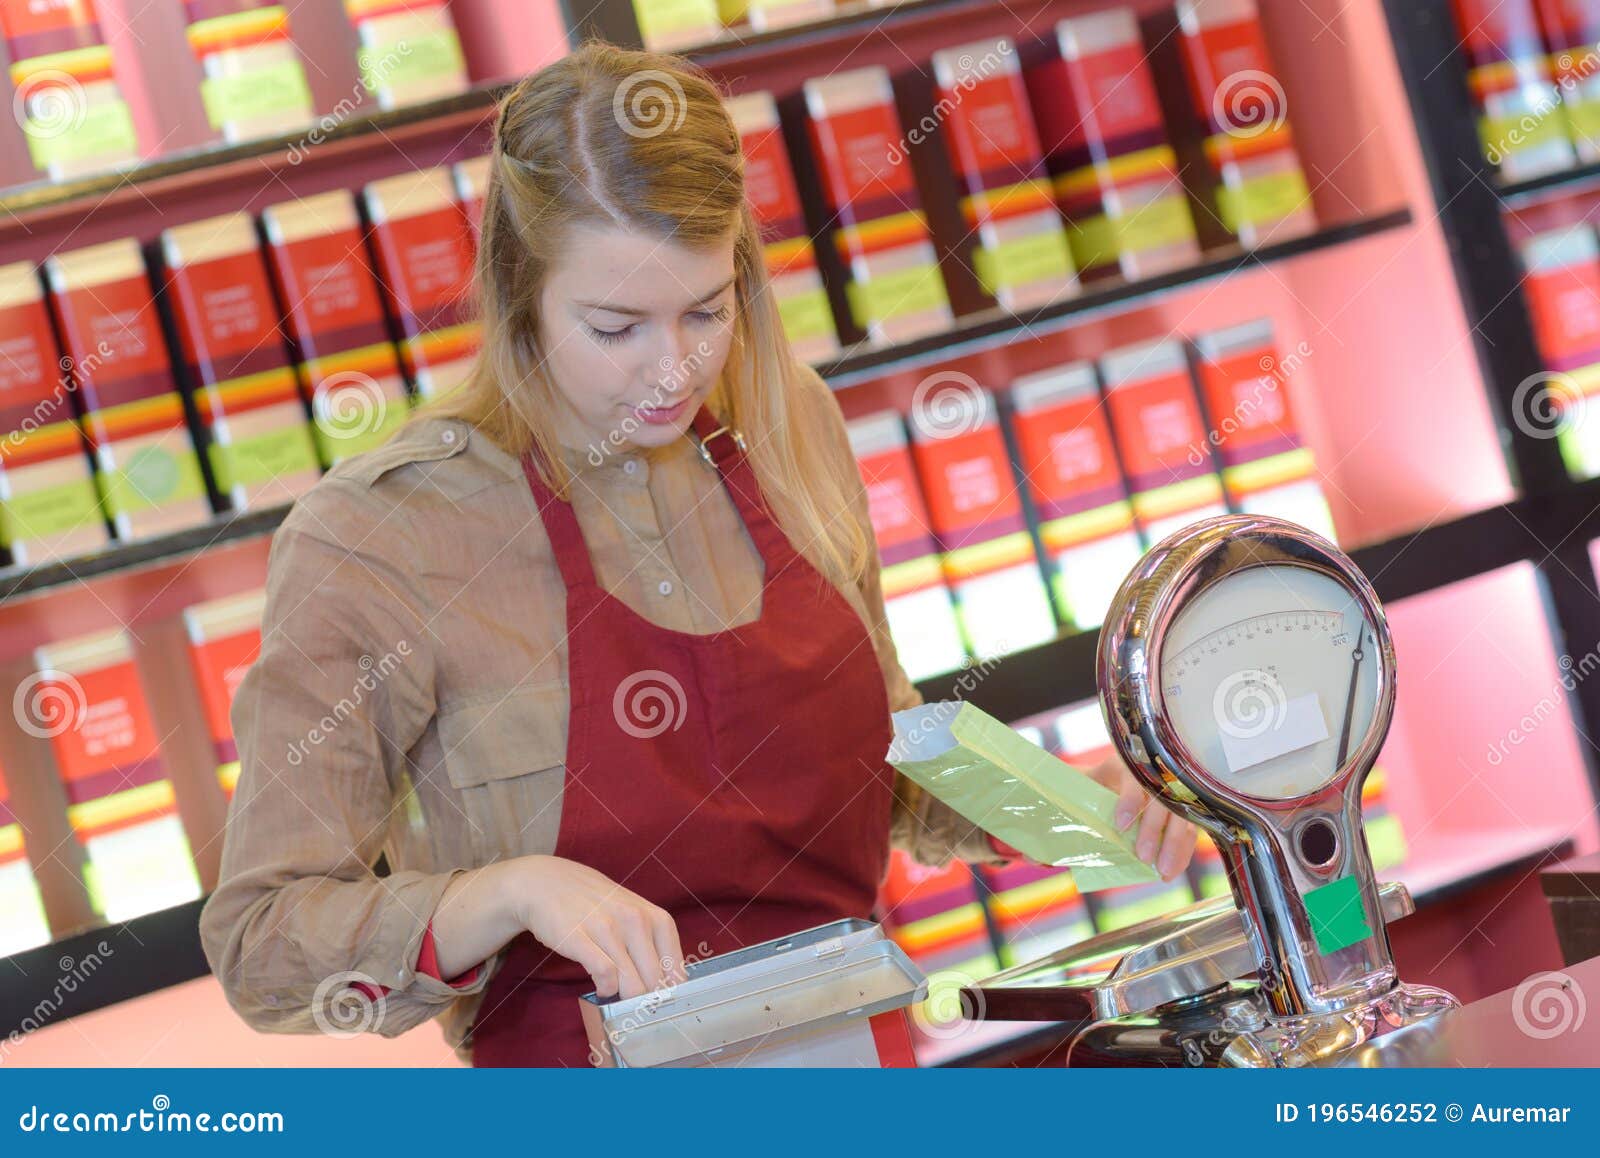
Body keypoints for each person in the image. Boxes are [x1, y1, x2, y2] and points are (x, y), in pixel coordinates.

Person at [198, 41, 1197, 1067]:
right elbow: (262, 946)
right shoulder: (384, 533)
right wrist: (501, 895)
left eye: (706, 312)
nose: (672, 371)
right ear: (517, 292)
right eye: (616, 325)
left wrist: (1060, 809)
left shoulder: (788, 422)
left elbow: (882, 742)